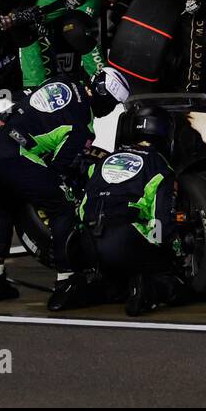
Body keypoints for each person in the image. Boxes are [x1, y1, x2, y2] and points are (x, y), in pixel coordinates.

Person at [0, 67, 129, 310]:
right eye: (113, 103)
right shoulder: (82, 127)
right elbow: (59, 170)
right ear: (104, 98)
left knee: (2, 209)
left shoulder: (63, 80)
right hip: (11, 152)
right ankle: (65, 281)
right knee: (62, 206)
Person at [77, 105, 185, 316]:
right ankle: (151, 288)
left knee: (113, 277)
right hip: (122, 240)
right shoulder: (160, 167)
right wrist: (172, 250)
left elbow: (82, 208)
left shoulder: (105, 160)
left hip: (85, 243)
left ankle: (101, 287)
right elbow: (161, 221)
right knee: (175, 280)